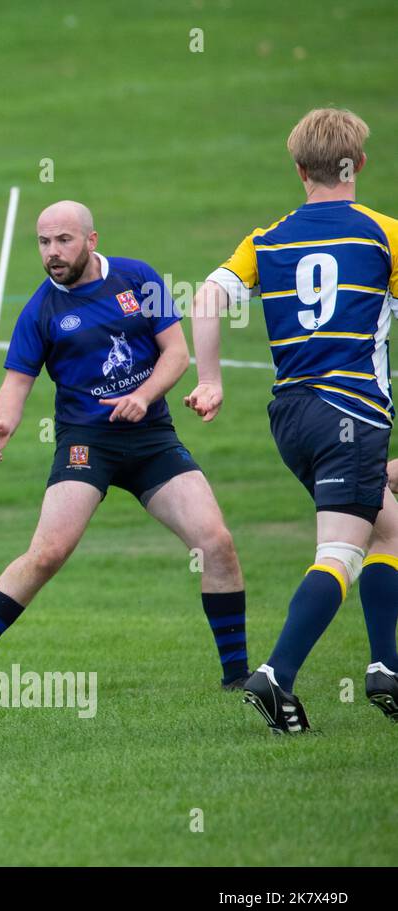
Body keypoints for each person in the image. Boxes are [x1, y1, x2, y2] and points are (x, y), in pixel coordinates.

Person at [0, 201, 248, 703]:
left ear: (91, 239)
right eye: (43, 242)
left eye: (63, 240)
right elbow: (16, 382)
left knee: (217, 542)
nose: (53, 253)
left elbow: (177, 353)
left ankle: (237, 677)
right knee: (48, 554)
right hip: (86, 444)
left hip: (152, 439)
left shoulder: (137, 279)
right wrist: (4, 423)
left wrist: (142, 398)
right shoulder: (41, 309)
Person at [186, 107, 398, 732]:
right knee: (341, 553)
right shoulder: (382, 234)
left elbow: (204, 298)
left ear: (299, 170)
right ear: (358, 163)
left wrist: (210, 380)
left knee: (388, 528)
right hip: (351, 414)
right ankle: (275, 677)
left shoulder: (267, 239)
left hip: (291, 417)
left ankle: (386, 667)